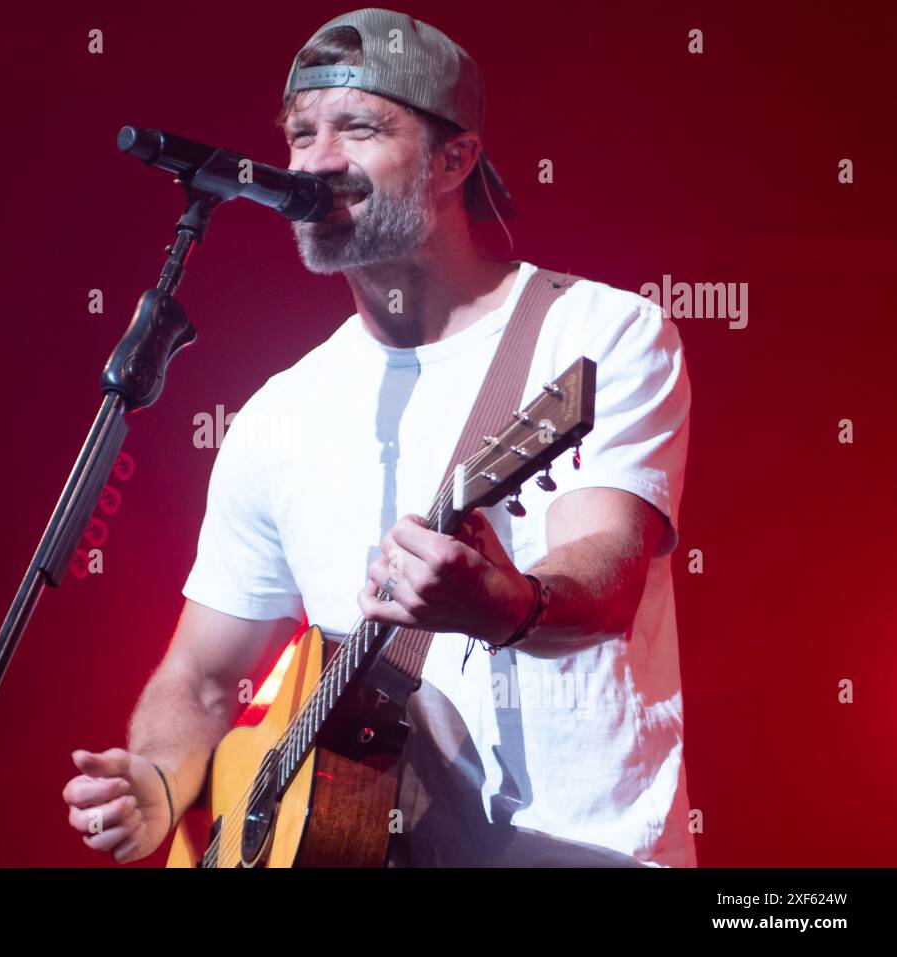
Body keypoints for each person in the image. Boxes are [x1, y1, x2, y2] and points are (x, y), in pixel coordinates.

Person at [62, 7, 697, 868]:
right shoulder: (278, 415)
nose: (317, 160)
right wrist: (162, 780)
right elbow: (201, 679)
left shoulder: (596, 332)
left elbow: (610, 571)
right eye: (300, 134)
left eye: (359, 127)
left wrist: (509, 603)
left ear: (454, 157)